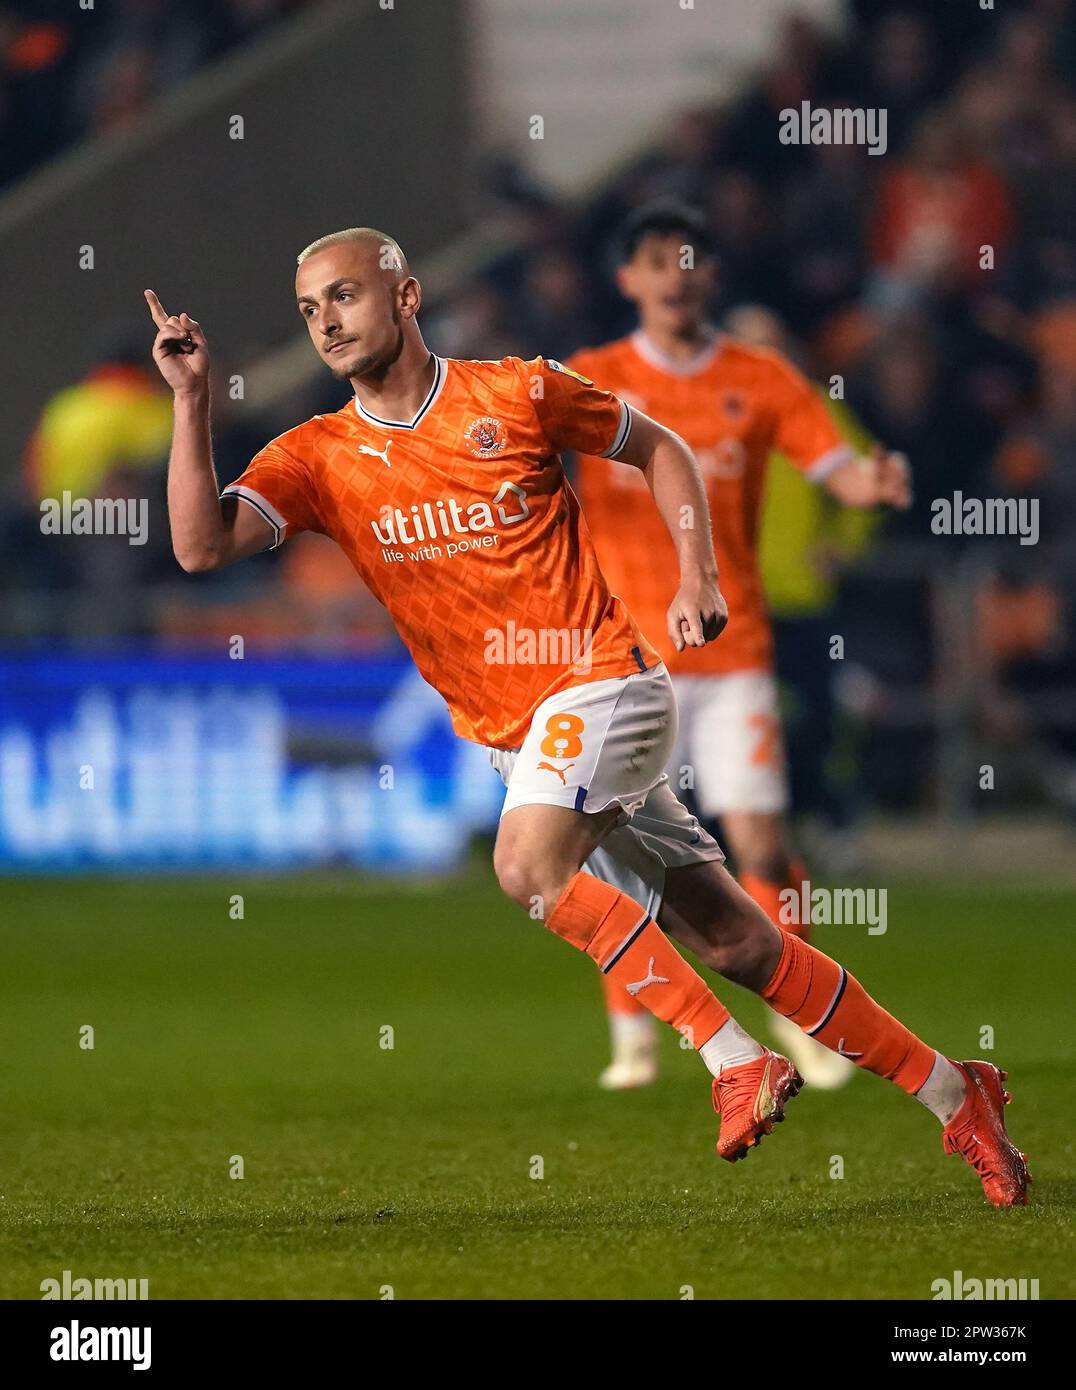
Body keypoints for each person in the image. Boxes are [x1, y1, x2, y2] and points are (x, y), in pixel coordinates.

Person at [143, 225, 1029, 1204]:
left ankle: (731, 1056)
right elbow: (199, 548)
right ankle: (957, 1093)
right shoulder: (317, 455)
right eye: (310, 310)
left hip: (602, 682)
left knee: (524, 865)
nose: (326, 323)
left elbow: (659, 447)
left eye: (344, 296)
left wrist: (694, 571)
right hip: (512, 737)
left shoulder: (515, 393)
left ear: (404, 294)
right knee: (736, 942)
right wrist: (191, 401)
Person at [567, 205, 884, 1091]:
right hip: (624, 661)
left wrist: (873, 482)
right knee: (616, 848)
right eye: (657, 260)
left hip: (733, 645)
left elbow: (835, 462)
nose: (676, 274)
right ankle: (633, 1033)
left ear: (711, 277)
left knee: (761, 843)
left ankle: (805, 1014)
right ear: (629, 279)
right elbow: (510, 454)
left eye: (691, 260)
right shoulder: (591, 379)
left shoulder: (759, 376)